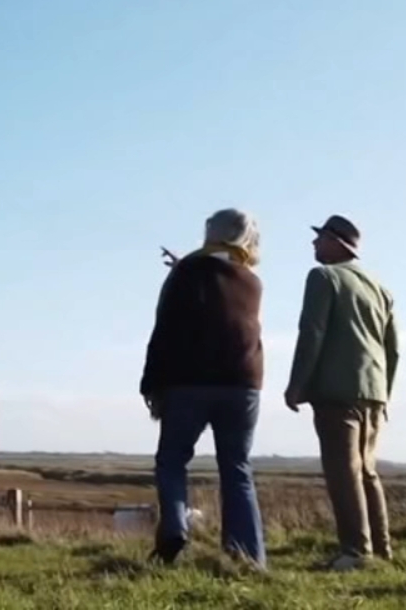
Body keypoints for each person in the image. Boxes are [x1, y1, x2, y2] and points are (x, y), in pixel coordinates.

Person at [139, 208, 267, 568]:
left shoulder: (186, 272)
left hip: (188, 382)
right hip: (243, 385)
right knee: (237, 469)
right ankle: (248, 555)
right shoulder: (251, 280)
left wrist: (151, 384)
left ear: (210, 232)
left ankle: (175, 532)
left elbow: (164, 331)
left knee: (171, 462)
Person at [283, 214, 399, 571]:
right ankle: (381, 550)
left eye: (319, 238)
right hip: (374, 392)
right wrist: (385, 394)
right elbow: (392, 349)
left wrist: (296, 385)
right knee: (367, 472)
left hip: (336, 391)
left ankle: (354, 552)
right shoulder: (380, 288)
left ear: (337, 242)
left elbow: (312, 332)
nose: (314, 244)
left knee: (342, 472)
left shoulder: (323, 277)